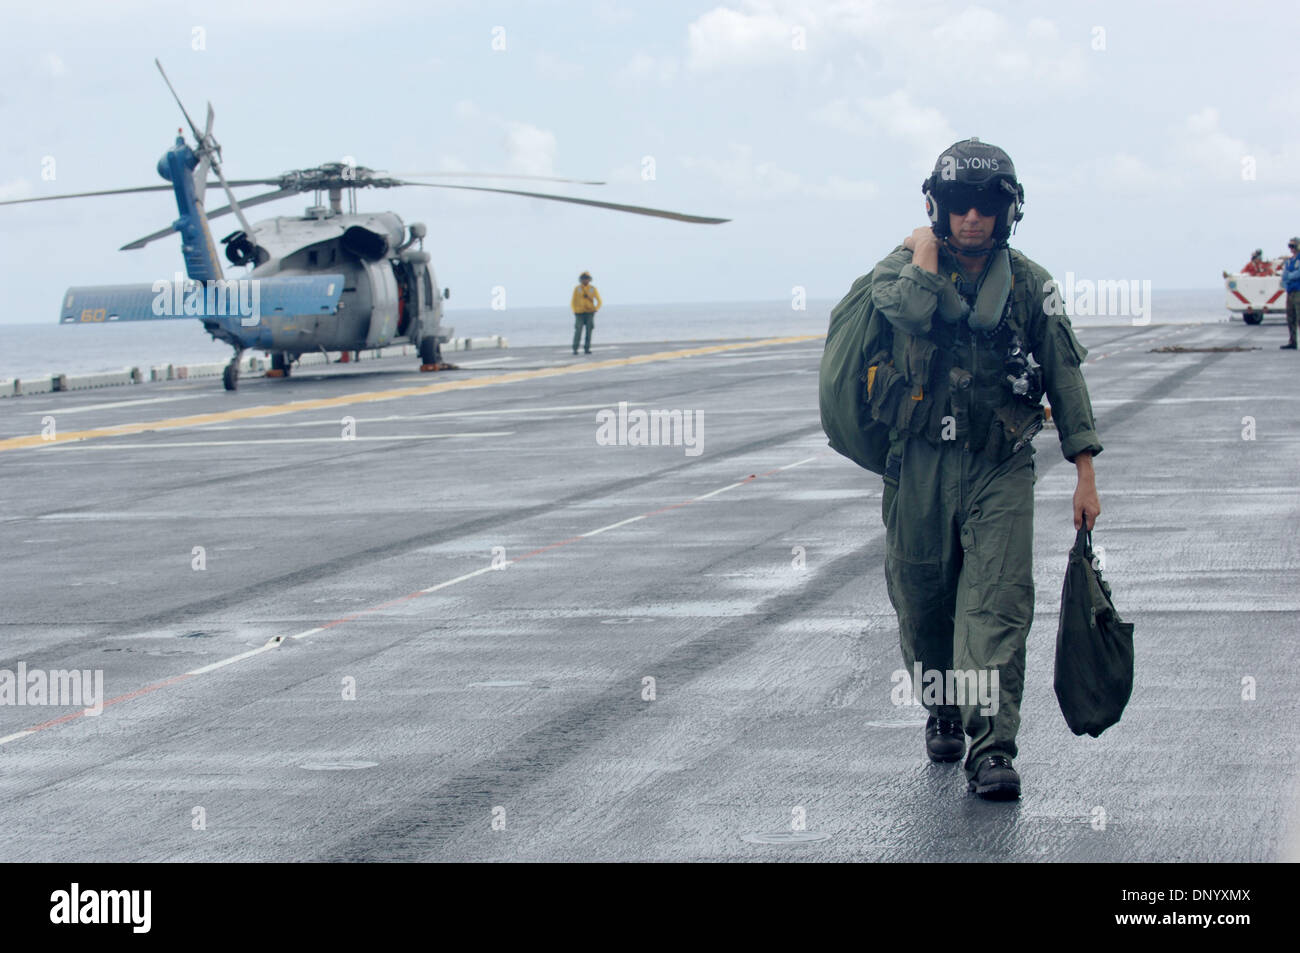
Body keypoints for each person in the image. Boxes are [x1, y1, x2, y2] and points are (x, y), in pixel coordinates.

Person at [837, 138, 1102, 800]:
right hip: (918, 465)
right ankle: (943, 708)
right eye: (959, 205)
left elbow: (1064, 376)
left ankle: (992, 747)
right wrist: (923, 258)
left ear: (1008, 211)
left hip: (998, 463)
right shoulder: (898, 276)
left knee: (996, 602)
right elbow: (907, 312)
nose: (974, 218)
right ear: (937, 208)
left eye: (987, 205)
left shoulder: (1030, 285)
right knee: (923, 603)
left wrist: (1085, 469)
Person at [570, 271, 602, 355]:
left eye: (586, 279)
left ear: (589, 279)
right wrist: (574, 310)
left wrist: (596, 308)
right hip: (579, 313)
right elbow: (573, 301)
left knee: (589, 331)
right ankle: (575, 348)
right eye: (583, 279)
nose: (585, 280)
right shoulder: (577, 289)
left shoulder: (592, 289)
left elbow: (599, 301)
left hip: (590, 313)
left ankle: (587, 348)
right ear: (581, 280)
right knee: (578, 330)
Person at [1282, 237, 1300, 350]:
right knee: (1290, 317)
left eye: (1293, 246)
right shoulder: (1289, 261)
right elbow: (1284, 275)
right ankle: (1292, 341)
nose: (1291, 248)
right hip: (1290, 291)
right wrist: (1288, 277)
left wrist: (1289, 276)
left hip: (1298, 291)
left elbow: (1298, 274)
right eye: (1290, 246)